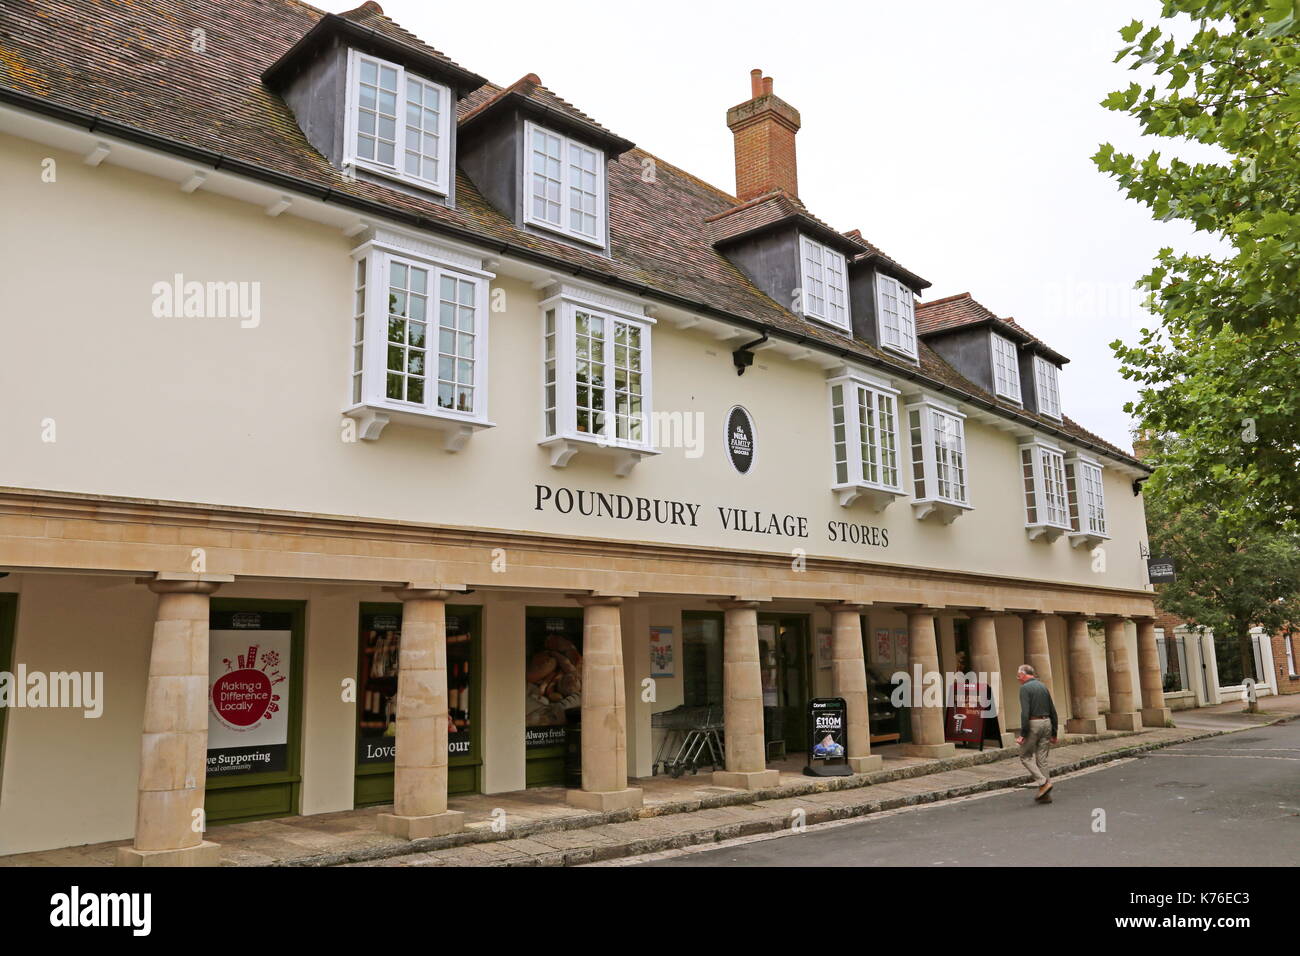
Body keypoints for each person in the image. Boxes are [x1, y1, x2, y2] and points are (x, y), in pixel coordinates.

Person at [1014, 664, 1058, 803]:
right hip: (1047, 723)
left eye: (1018, 675)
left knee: (1025, 756)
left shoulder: (1025, 688)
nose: (1017, 678)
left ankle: (1043, 783)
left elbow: (1025, 712)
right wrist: (1054, 732)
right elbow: (1052, 710)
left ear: (1023, 674)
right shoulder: (1043, 686)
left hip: (1034, 724)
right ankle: (1045, 795)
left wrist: (1023, 734)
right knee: (1042, 760)